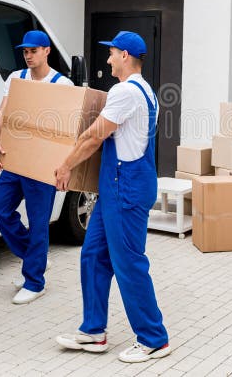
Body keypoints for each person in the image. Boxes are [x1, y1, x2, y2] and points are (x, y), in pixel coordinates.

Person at [53, 31, 171, 364]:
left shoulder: (124, 91)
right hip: (118, 186)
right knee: (92, 255)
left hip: (126, 187)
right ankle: (94, 331)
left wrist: (65, 166)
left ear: (124, 56)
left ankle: (153, 338)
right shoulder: (146, 91)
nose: (108, 60)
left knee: (129, 263)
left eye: (111, 53)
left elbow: (94, 136)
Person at [0, 30, 73, 305]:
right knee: (0, 209)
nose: (28, 55)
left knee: (39, 222)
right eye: (25, 51)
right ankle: (35, 258)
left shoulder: (64, 84)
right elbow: (3, 111)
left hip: (44, 165)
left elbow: (69, 131)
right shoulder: (16, 78)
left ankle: (35, 282)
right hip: (17, 159)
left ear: (46, 51)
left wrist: (66, 166)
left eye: (33, 51)